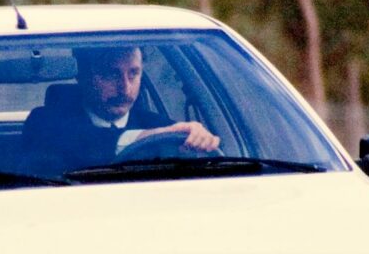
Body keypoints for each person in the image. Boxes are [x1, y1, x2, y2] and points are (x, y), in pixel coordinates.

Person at [20, 45, 220, 174]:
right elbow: (86, 141)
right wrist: (158, 135)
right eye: (110, 74)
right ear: (83, 76)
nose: (125, 88)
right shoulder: (44, 122)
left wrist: (198, 137)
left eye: (133, 74)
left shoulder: (159, 125)